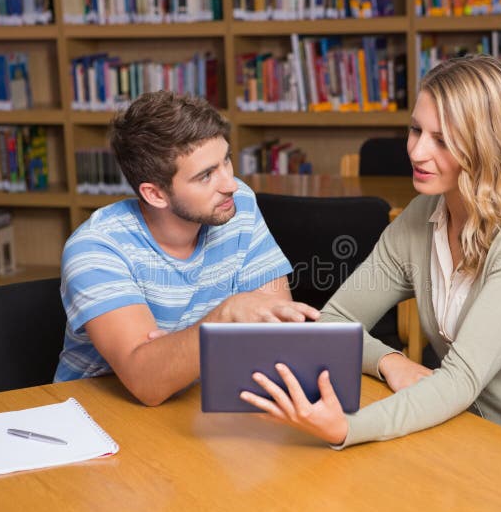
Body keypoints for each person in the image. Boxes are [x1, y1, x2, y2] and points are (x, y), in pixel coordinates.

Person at [239, 55, 501, 487]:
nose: (416, 151)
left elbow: (460, 381)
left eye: (442, 139)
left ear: (487, 143)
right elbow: (334, 323)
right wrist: (391, 362)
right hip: (490, 442)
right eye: (416, 130)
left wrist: (347, 428)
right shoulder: (423, 217)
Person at [55, 91, 319, 406]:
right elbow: (148, 383)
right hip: (100, 416)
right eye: (206, 175)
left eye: (227, 160)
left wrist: (175, 352)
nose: (230, 183)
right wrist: (226, 316)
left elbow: (274, 334)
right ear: (155, 194)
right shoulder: (96, 248)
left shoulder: (237, 205)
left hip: (201, 398)